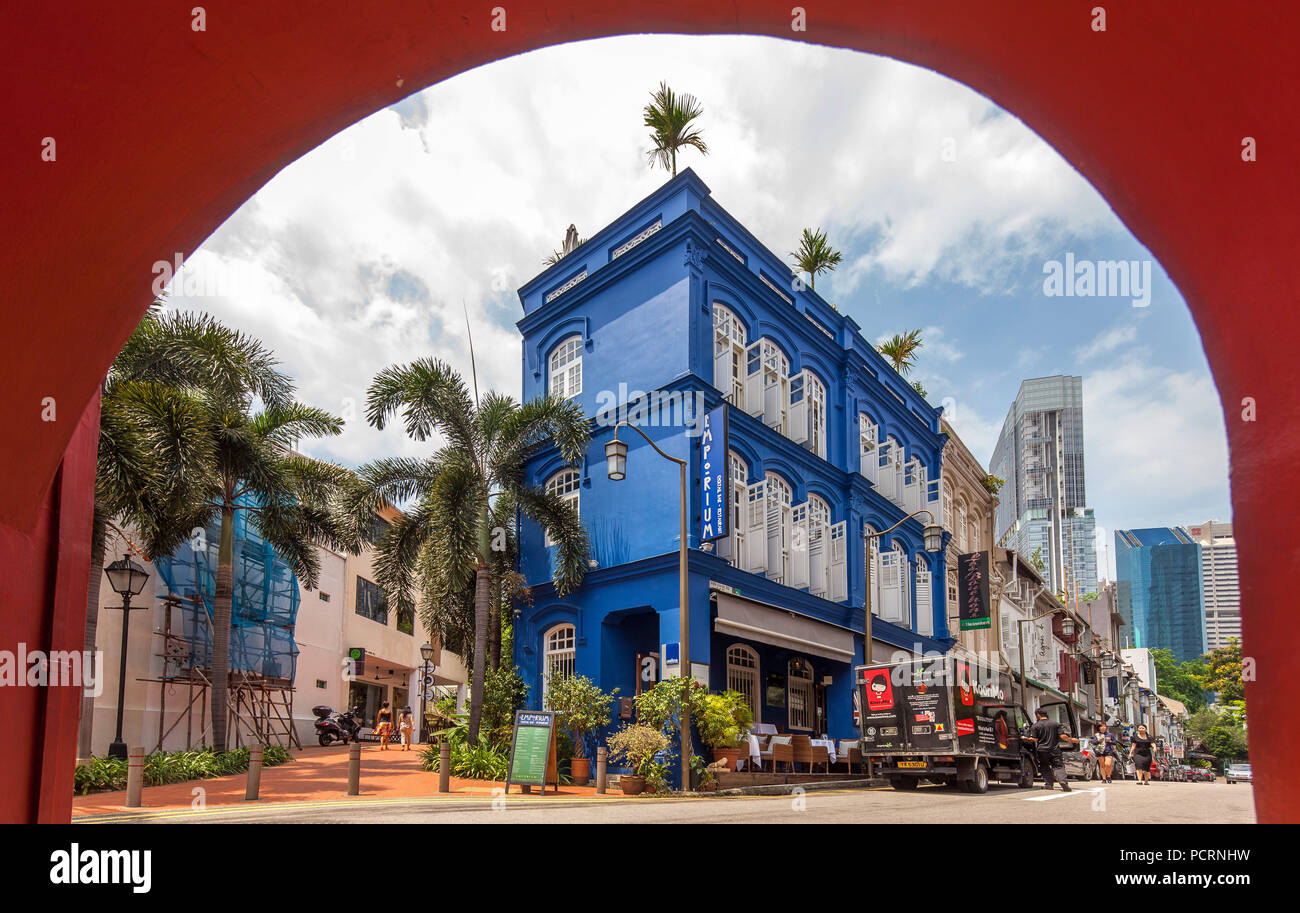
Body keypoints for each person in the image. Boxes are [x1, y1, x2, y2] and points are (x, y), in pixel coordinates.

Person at [1022, 707, 1079, 791]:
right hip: (1054, 749)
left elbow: (1034, 739)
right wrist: (1072, 740)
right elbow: (1062, 736)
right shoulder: (1055, 724)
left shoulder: (1035, 726)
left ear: (1038, 715)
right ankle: (1062, 781)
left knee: (1044, 766)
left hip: (1042, 750)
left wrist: (1025, 738)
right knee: (1058, 766)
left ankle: (1049, 784)